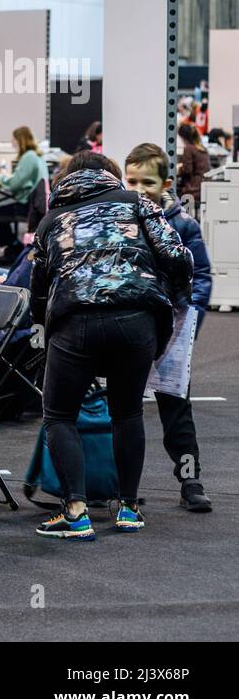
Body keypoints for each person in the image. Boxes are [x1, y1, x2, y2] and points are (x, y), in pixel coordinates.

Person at [30, 151, 193, 540]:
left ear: (66, 179)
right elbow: (178, 257)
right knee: (127, 414)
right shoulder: (138, 204)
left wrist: (44, 326)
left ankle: (77, 511)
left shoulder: (51, 222)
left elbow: (38, 291)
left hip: (75, 324)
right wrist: (167, 296)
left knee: (59, 416)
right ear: (113, 177)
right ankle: (130, 508)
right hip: (137, 322)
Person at [124, 143, 213, 512]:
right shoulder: (119, 222)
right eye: (132, 180)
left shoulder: (183, 225)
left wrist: (188, 324)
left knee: (177, 412)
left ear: (165, 183)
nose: (140, 188)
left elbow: (202, 277)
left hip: (172, 333)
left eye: (147, 181)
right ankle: (119, 486)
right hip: (128, 330)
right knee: (123, 412)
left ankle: (190, 479)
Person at [0, 126, 45, 262]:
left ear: (20, 140)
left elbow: (15, 184)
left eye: (14, 140)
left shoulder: (28, 157)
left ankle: (13, 247)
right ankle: (12, 245)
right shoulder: (36, 156)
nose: (12, 143)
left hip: (26, 206)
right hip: (33, 204)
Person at [175, 122, 209, 206]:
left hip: (192, 189)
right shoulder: (201, 148)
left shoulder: (188, 148)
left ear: (182, 137)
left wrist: (177, 169)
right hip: (202, 188)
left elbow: (187, 170)